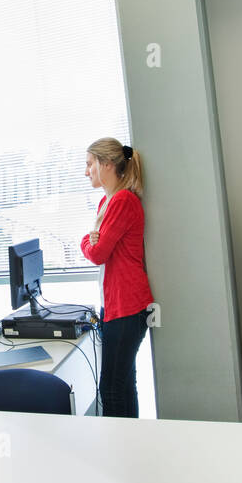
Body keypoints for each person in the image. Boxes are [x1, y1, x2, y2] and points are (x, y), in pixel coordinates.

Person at [80, 138, 153, 418]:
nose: (87, 171)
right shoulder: (106, 200)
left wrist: (84, 239)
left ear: (107, 164)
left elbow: (97, 252)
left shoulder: (122, 200)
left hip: (127, 307)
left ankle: (120, 451)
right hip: (116, 306)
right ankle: (131, 447)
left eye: (89, 164)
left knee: (110, 387)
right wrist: (92, 241)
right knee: (123, 384)